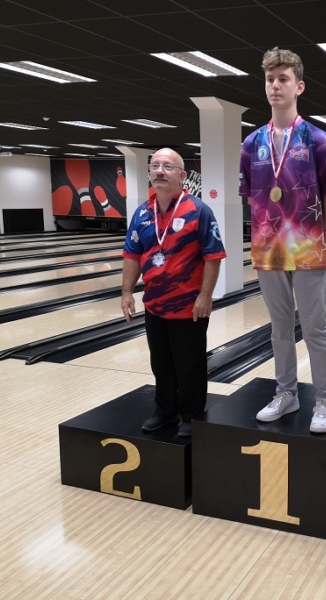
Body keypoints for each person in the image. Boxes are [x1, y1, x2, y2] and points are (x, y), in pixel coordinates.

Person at [239, 47, 326, 433]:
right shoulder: (251, 145)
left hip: (307, 249)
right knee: (279, 328)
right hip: (268, 251)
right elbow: (252, 196)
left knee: (315, 329)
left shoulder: (319, 139)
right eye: (270, 79)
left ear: (299, 86)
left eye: (283, 79)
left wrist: (311, 231)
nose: (275, 86)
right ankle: (287, 393)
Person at [121, 148, 226, 437]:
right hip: (154, 304)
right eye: (155, 166)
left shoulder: (199, 210)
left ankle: (191, 416)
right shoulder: (143, 213)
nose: (159, 171)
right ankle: (164, 412)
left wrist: (205, 296)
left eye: (167, 166)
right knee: (161, 363)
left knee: (189, 364)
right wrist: (127, 292)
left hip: (188, 306)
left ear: (182, 175)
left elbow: (213, 256)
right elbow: (132, 255)